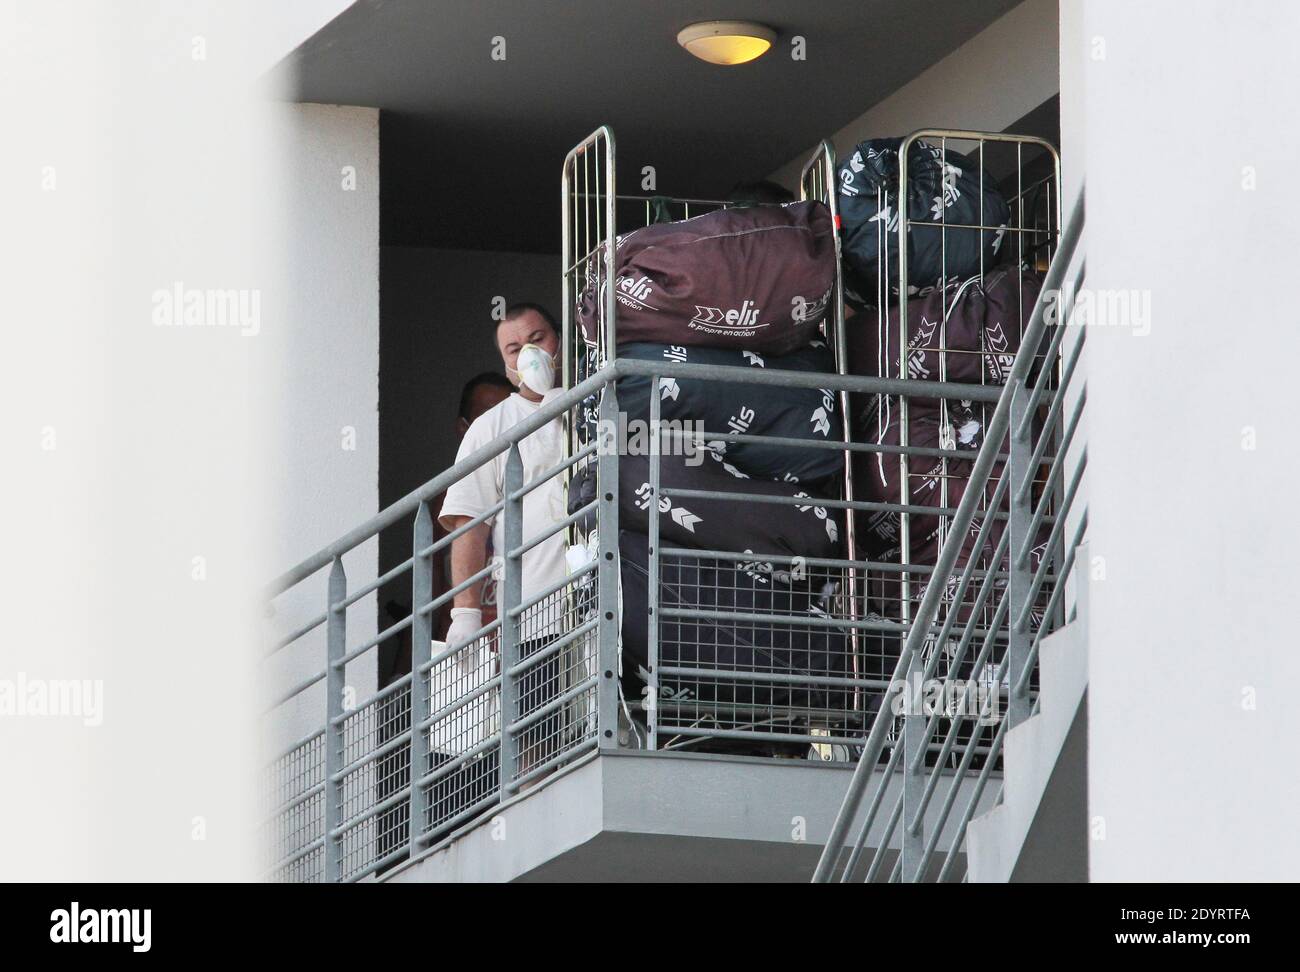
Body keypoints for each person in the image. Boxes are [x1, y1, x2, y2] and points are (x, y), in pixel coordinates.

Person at [438, 303, 569, 785]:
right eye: (515, 348)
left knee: (600, 726)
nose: (531, 353)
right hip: (532, 614)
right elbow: (468, 523)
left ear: (561, 339)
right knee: (536, 741)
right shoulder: (490, 428)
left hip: (603, 602)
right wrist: (465, 612)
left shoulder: (595, 404)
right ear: (506, 364)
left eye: (539, 337)